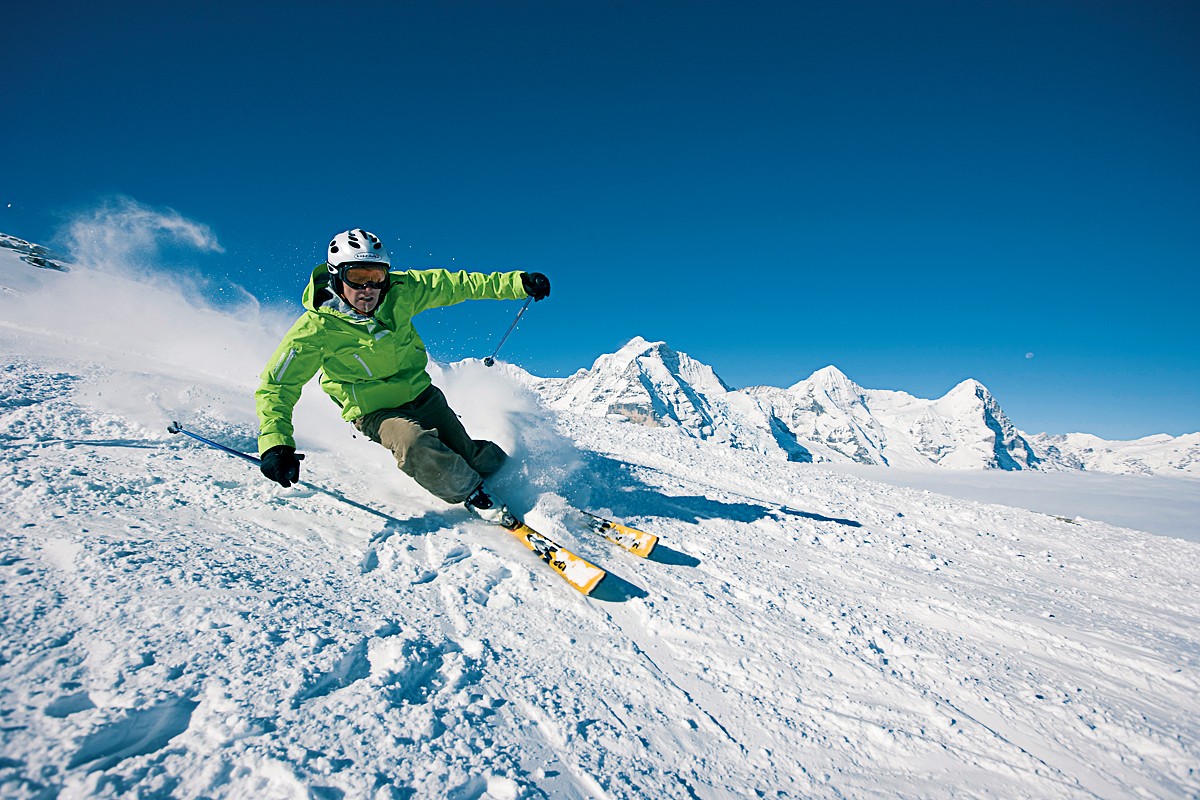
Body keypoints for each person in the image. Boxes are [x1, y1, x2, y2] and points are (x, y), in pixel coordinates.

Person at [255, 228, 550, 526]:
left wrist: (516, 283)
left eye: (377, 276)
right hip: (376, 411)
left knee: (470, 457)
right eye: (357, 277)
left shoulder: (401, 291)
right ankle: (473, 494)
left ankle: (514, 476)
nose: (369, 288)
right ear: (336, 276)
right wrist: (276, 444)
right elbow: (277, 386)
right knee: (415, 444)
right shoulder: (316, 328)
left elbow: (457, 285)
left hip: (422, 395)